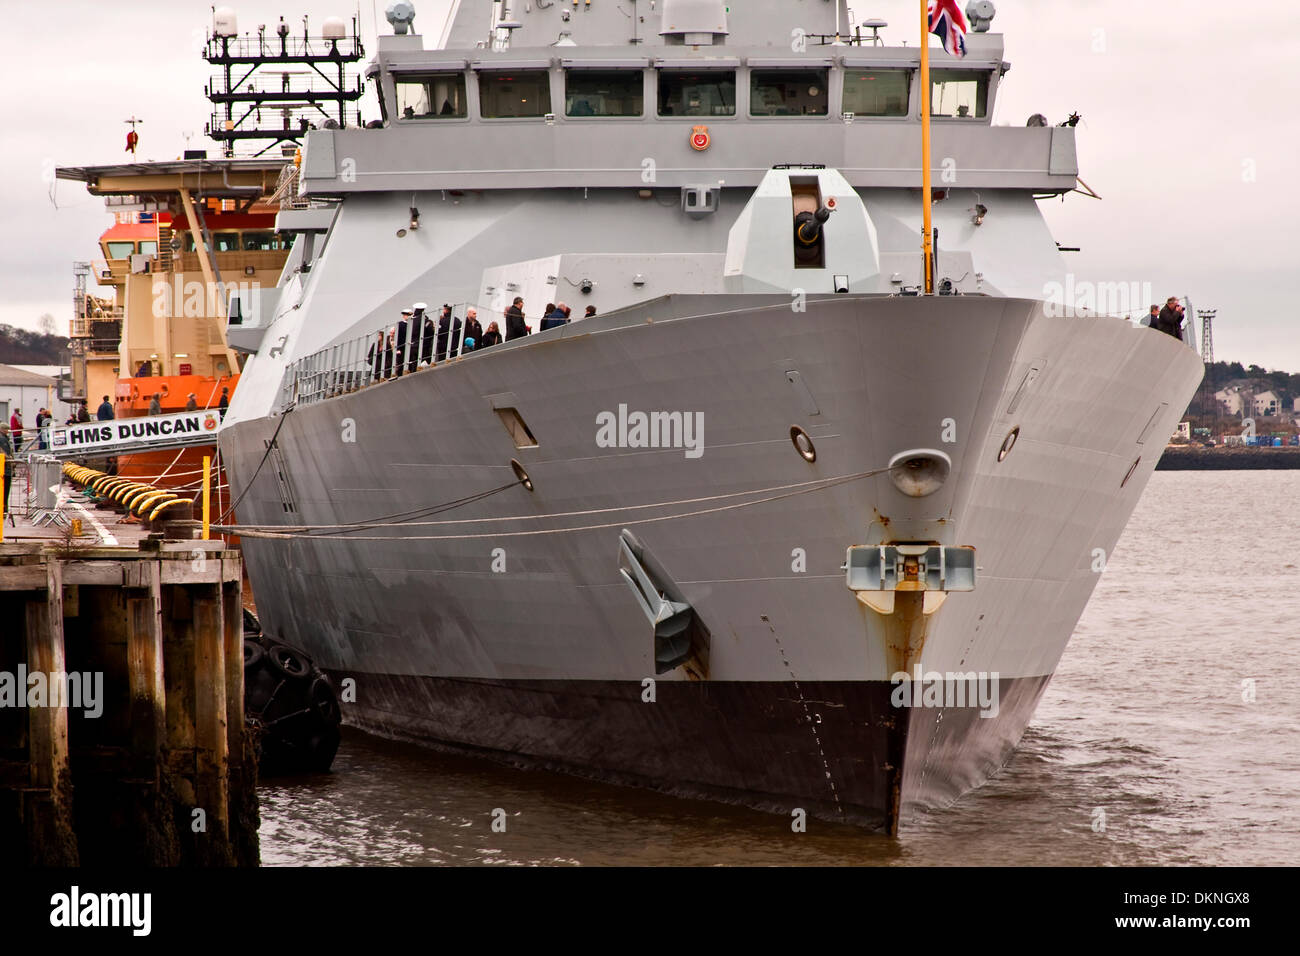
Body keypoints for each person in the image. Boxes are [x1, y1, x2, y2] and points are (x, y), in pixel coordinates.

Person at [0, 423, 12, 522]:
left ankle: (4, 508)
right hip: (5, 469)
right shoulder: (2, 439)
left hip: (5, 468)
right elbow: (5, 453)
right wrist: (11, 461)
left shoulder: (4, 438)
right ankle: (3, 508)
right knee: (5, 490)